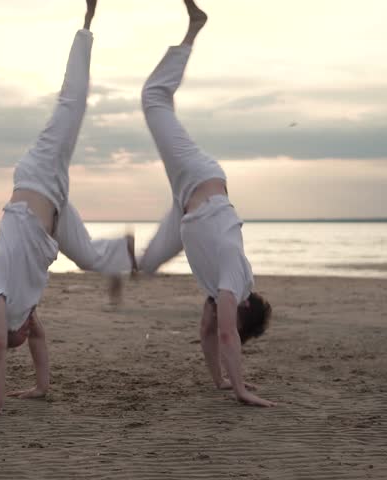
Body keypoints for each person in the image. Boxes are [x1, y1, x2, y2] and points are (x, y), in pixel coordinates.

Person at [0, 0, 135, 417]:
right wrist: (41, 386)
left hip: (39, 176)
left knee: (71, 105)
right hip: (53, 214)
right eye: (25, 331)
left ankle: (87, 22)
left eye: (20, 331)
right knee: (90, 258)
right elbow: (36, 339)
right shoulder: (22, 312)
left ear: (1, 326)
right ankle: (125, 251)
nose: (30, 330)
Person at [137, 0, 274, 407]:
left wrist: (221, 383)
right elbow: (226, 335)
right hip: (197, 177)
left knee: (144, 266)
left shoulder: (219, 293)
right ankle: (195, 27)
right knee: (153, 97)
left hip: (187, 208)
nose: (211, 322)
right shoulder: (232, 277)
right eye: (222, 317)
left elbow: (208, 336)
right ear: (241, 305)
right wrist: (243, 390)